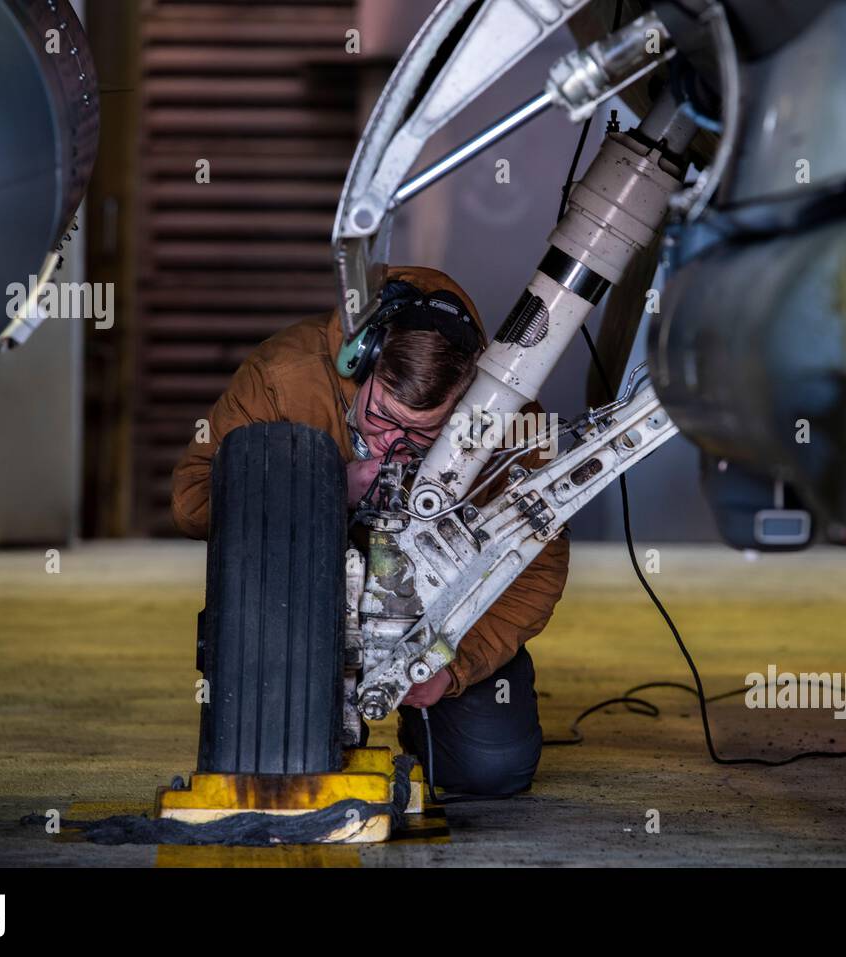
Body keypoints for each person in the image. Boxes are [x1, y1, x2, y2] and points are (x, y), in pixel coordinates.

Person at [172, 265, 570, 795]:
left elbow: (539, 567)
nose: (391, 445)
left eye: (420, 434)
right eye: (382, 418)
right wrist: (320, 488)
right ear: (361, 363)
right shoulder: (284, 376)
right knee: (282, 774)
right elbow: (192, 502)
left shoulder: (508, 421)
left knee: (490, 772)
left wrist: (456, 668)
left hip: (440, 628)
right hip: (298, 610)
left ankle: (423, 719)